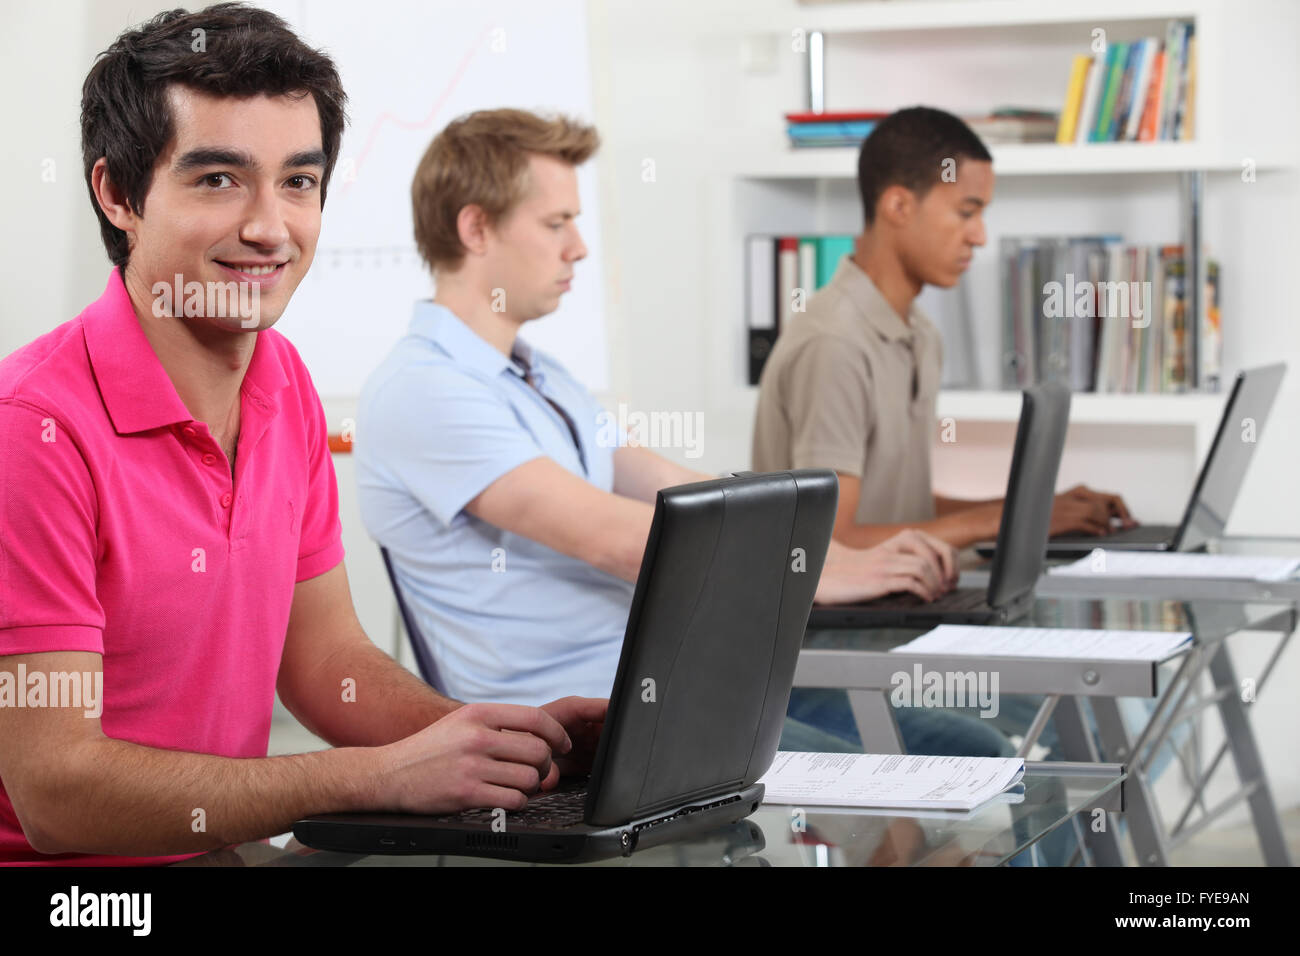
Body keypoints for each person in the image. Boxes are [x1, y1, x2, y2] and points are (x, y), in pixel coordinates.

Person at [0, 3, 603, 867]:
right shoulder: (34, 431)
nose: (270, 228)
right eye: (218, 180)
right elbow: (56, 796)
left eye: (298, 181)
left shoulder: (283, 382)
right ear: (119, 195)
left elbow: (326, 664)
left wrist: (511, 746)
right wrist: (369, 776)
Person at [356, 108, 1013, 759]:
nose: (577, 246)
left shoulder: (539, 376)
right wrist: (811, 575)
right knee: (912, 772)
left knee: (972, 747)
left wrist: (846, 555)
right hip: (583, 727)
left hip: (676, 684)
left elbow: (671, 486)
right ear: (476, 228)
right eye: (556, 223)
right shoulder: (425, 390)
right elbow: (613, 537)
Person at [752, 106, 1135, 551]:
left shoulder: (920, 331)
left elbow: (895, 511)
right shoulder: (834, 344)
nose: (980, 236)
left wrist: (1029, 510)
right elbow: (833, 543)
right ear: (898, 205)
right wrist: (1002, 521)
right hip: (828, 616)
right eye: (966, 212)